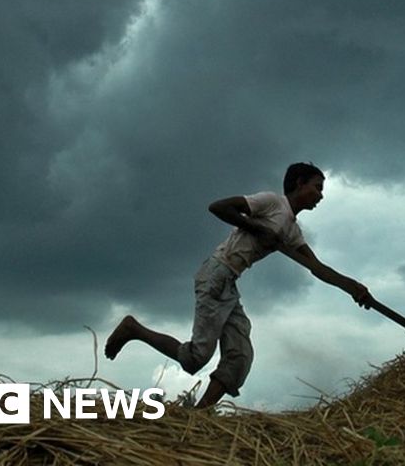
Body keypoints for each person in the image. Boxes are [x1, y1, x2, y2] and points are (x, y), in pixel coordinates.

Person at [104, 162, 372, 408]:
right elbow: (218, 207)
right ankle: (133, 328)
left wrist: (352, 288)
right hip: (216, 274)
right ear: (299, 183)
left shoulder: (292, 230)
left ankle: (198, 417)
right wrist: (257, 228)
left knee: (239, 357)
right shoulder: (271, 202)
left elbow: (317, 268)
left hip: (228, 283)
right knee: (196, 358)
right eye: (317, 187)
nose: (321, 195)